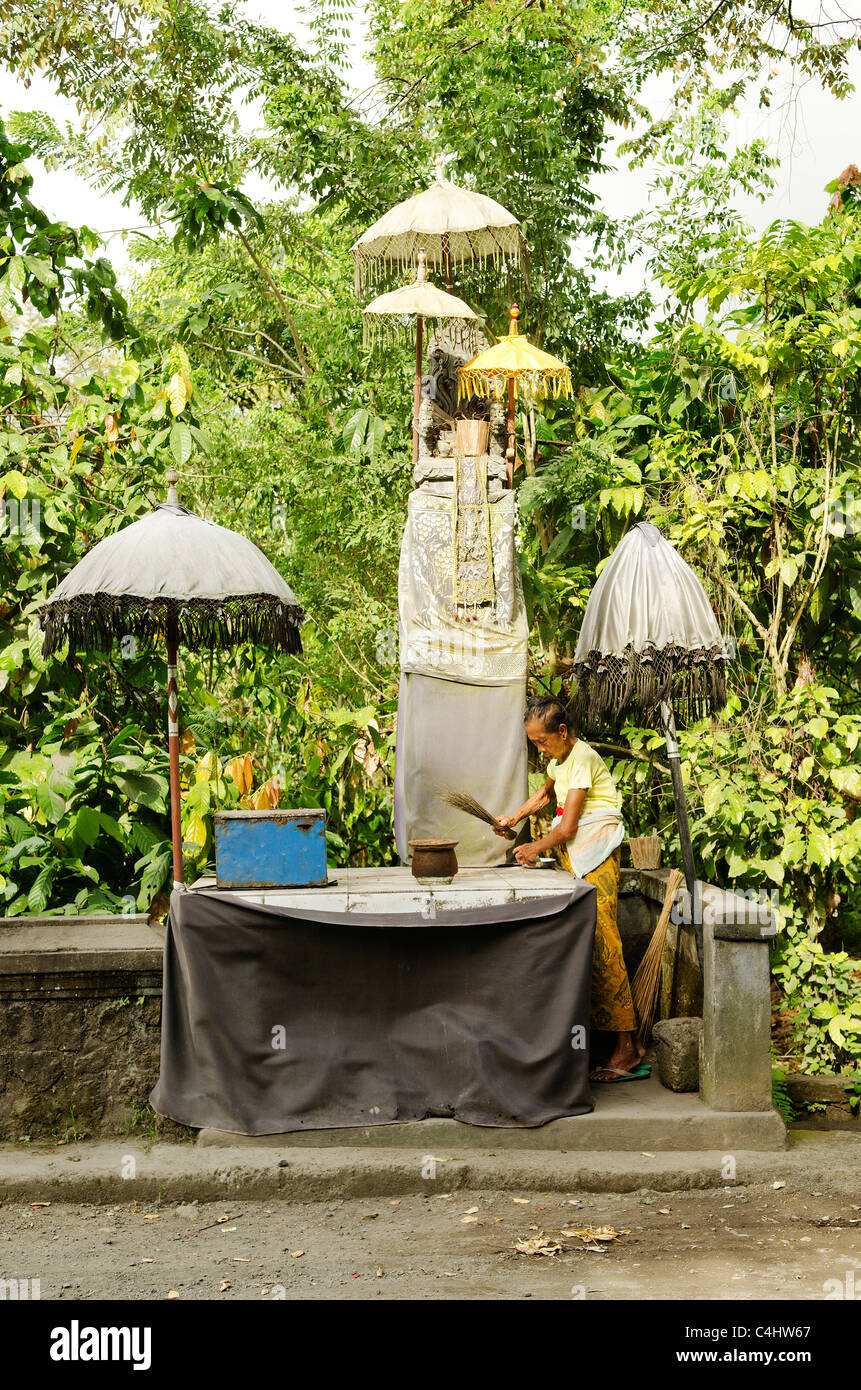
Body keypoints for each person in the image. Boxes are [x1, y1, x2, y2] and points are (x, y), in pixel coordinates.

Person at [494, 694, 649, 1083]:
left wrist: (531, 846)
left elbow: (567, 829)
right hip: (577, 859)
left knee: (605, 944)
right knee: (589, 944)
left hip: (596, 857)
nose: (540, 749)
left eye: (543, 742)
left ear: (562, 732)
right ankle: (612, 1042)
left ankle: (628, 1048)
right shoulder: (559, 760)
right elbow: (546, 795)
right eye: (535, 744)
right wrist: (513, 817)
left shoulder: (581, 758)